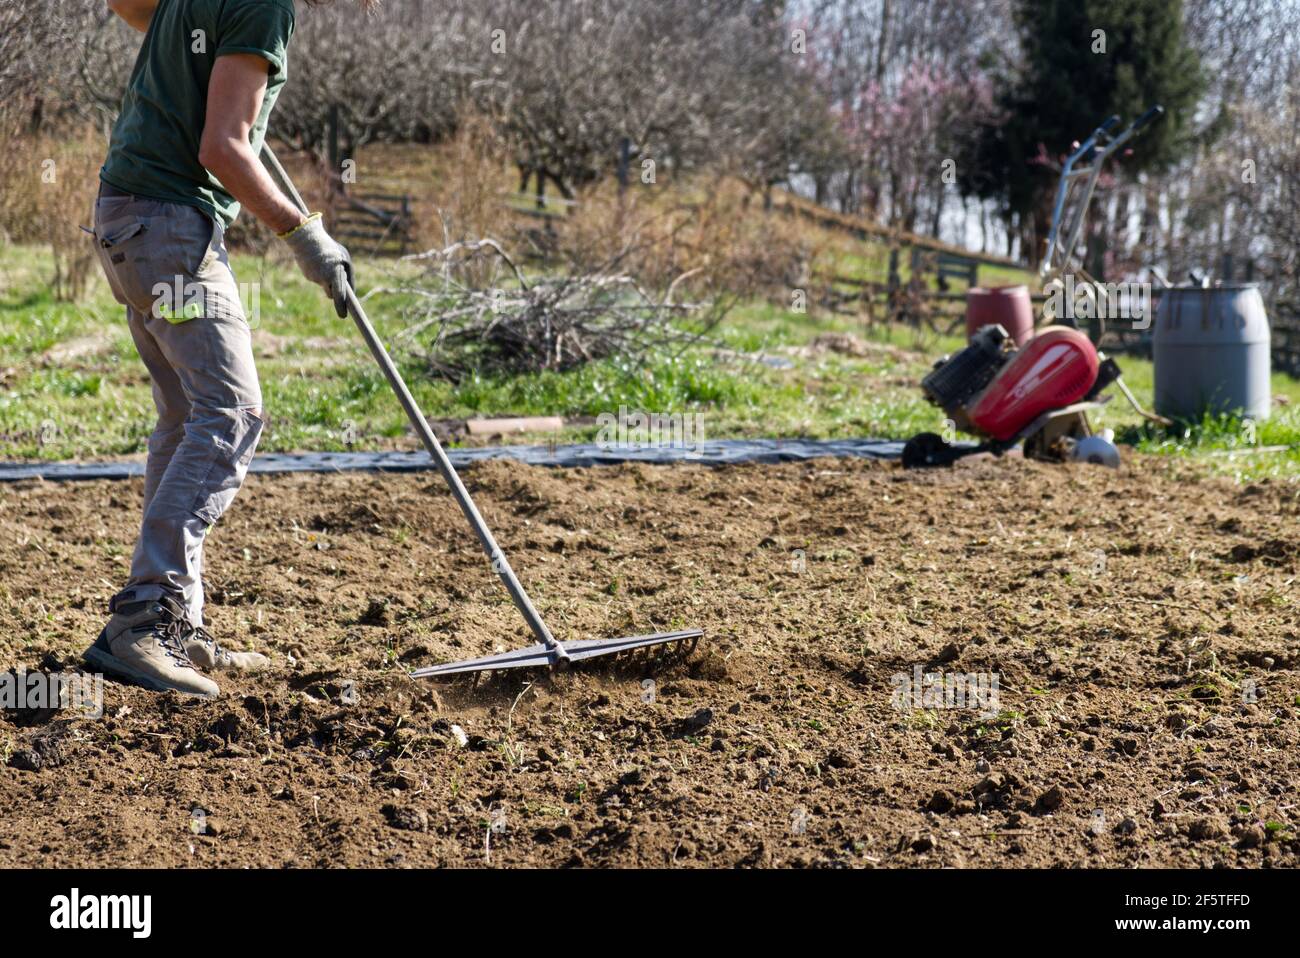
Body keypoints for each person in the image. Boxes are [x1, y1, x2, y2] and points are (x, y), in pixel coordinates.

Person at [85, 0, 368, 696]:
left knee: (185, 420)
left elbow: (131, 5)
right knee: (231, 415)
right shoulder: (266, 5)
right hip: (170, 232)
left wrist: (193, 42)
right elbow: (223, 147)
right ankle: (142, 621)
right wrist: (304, 234)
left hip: (127, 221)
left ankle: (174, 621)